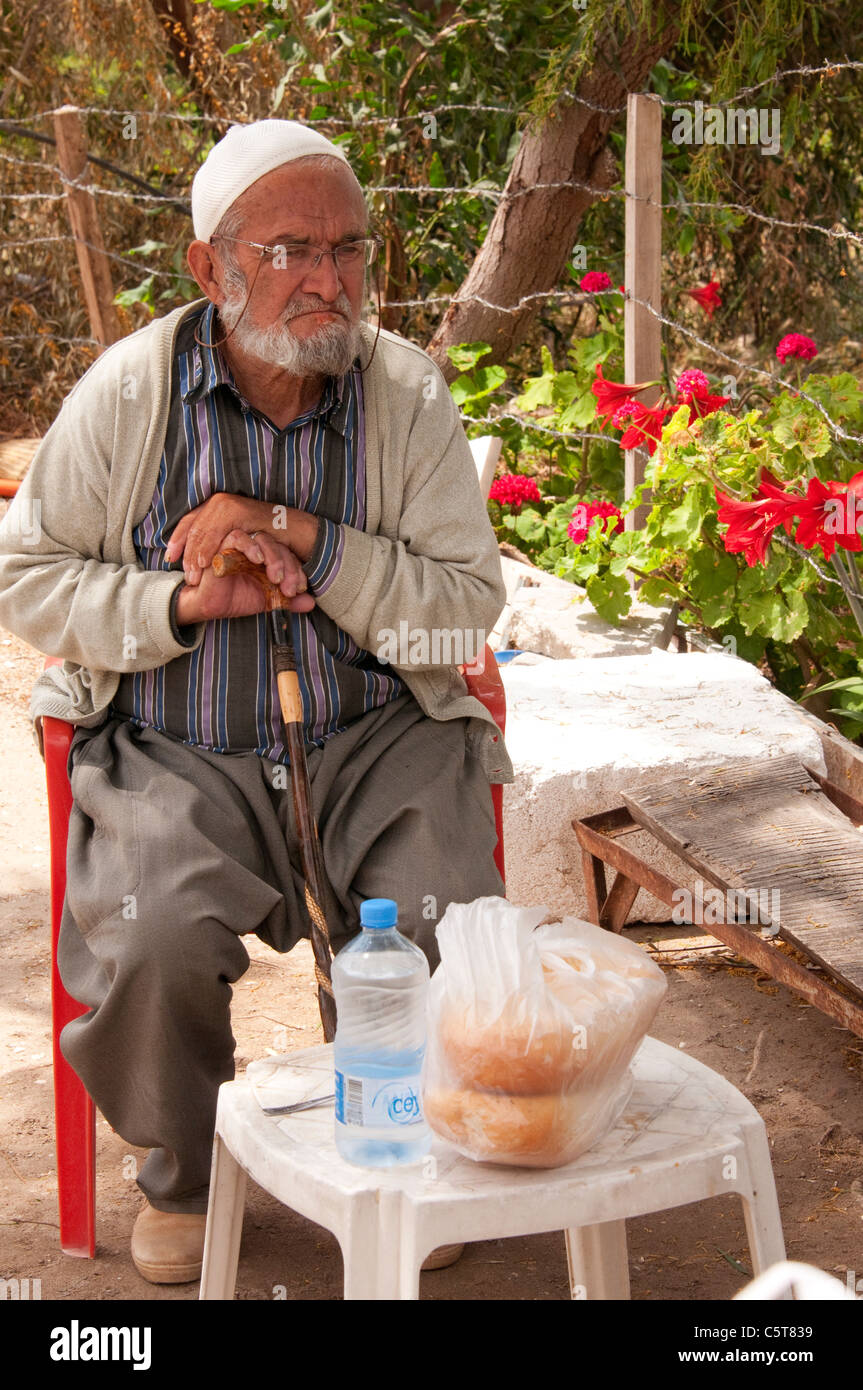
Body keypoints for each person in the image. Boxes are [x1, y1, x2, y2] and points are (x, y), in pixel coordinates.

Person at [0, 120, 512, 1284]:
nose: (328, 278)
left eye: (348, 249)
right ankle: (185, 1171)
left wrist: (304, 539)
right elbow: (24, 576)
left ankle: (404, 1157)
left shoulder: (403, 396)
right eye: (290, 249)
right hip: (176, 749)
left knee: (438, 921)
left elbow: (463, 602)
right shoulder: (131, 394)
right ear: (211, 267)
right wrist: (187, 605)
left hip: (379, 737)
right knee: (151, 937)